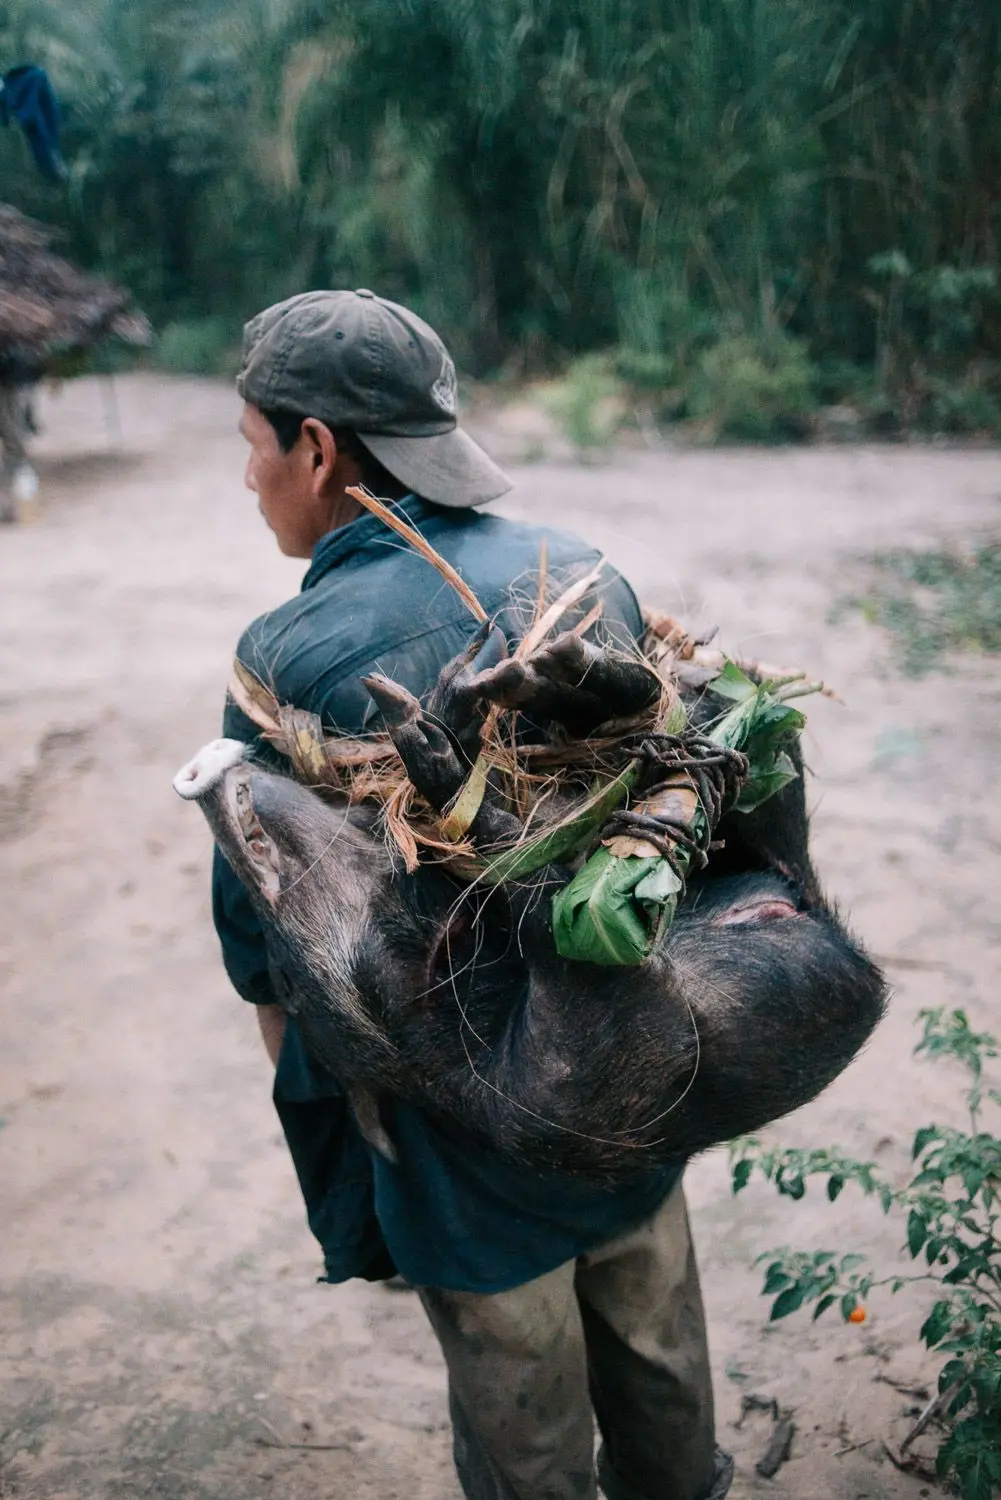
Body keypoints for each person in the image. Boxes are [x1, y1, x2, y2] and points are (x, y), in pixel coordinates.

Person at [214, 287, 733, 1500]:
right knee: (657, 1340)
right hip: (621, 1040)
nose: (249, 479)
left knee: (521, 1412)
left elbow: (267, 923)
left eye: (250, 446)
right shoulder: (586, 574)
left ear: (320, 449)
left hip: (460, 1108)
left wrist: (335, 1106)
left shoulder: (289, 660)